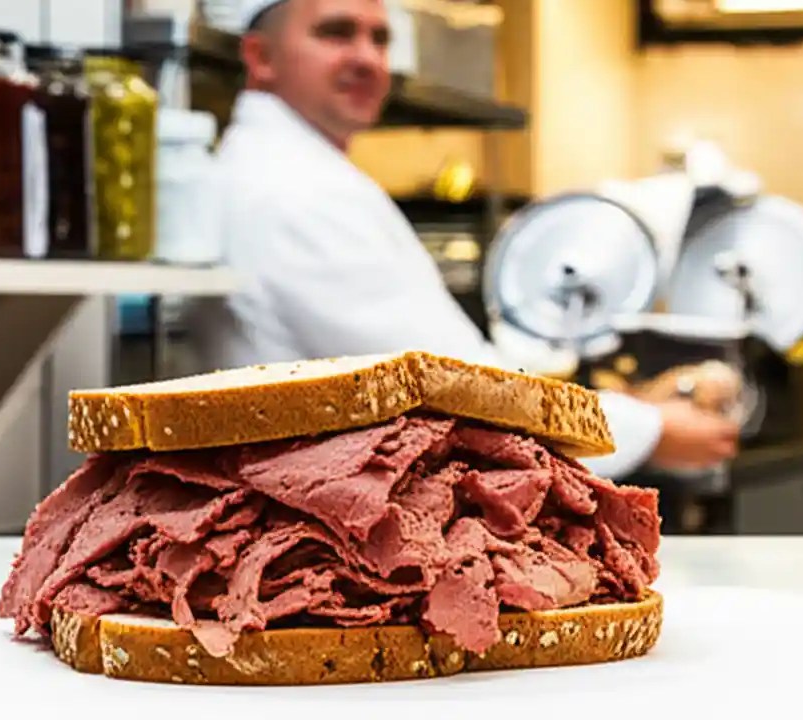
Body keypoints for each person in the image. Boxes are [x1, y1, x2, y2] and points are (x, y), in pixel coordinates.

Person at [189, 0, 739, 478]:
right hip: (326, 515)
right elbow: (452, 387)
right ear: (260, 56)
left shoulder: (300, 172)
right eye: (335, 32)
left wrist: (623, 411)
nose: (366, 57)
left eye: (379, 37)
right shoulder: (293, 189)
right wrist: (648, 431)